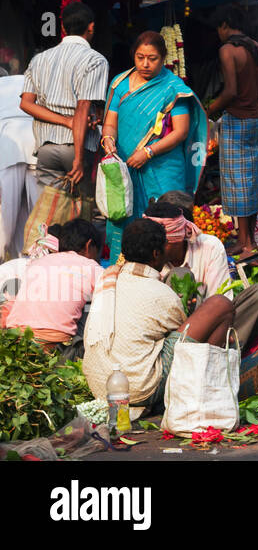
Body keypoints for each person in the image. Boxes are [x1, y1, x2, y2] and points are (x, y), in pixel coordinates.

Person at [83, 218, 235, 415]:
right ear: (156, 254)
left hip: (101, 387)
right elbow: (190, 338)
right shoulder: (160, 293)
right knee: (221, 304)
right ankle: (207, 389)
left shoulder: (107, 280)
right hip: (138, 390)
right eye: (165, 247)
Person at [101, 32, 207, 263]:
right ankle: (125, 272)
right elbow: (110, 123)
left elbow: (181, 131)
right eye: (140, 58)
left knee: (166, 223)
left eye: (153, 58)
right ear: (133, 56)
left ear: (164, 58)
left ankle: (171, 273)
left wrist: (148, 152)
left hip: (163, 167)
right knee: (125, 218)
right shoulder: (120, 83)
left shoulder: (173, 88)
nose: (145, 64)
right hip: (126, 166)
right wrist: (108, 139)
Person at [145, 198, 258, 348]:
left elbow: (220, 302)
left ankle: (218, 352)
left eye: (162, 244)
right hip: (170, 336)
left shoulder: (209, 246)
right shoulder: (149, 253)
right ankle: (213, 354)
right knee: (180, 274)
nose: (155, 249)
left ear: (177, 239)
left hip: (212, 325)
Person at [19, 1, 108, 204]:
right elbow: (83, 106)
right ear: (91, 27)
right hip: (76, 146)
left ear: (62, 27)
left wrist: (66, 121)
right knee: (80, 215)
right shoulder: (95, 60)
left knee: (50, 213)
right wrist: (78, 157)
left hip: (46, 148)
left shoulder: (39, 59)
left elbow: (26, 104)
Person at [207, 6, 258, 258]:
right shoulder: (256, 47)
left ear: (224, 26)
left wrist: (208, 109)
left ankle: (246, 243)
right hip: (255, 119)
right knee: (249, 181)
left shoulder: (227, 50)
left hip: (237, 120)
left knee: (236, 183)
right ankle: (247, 239)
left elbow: (230, 91)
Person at [1, 219, 102, 355]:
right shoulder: (93, 267)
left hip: (15, 338)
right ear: (89, 245)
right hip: (54, 345)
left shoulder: (38, 262)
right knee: (96, 303)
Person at [0, 74, 39, 261]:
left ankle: (11, 259)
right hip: (36, 143)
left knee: (6, 213)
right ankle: (29, 261)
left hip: (8, 148)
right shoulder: (28, 82)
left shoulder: (6, 85)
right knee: (34, 212)